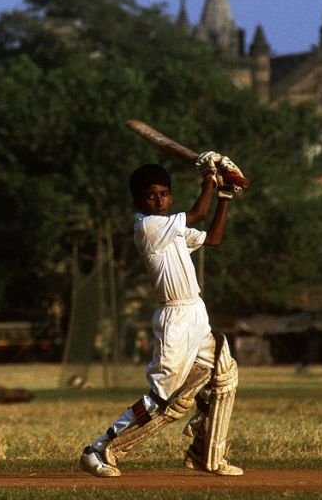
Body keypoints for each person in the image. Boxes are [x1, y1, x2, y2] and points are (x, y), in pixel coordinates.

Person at [80, 154, 247, 479]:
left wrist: (225, 195)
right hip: (174, 320)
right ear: (139, 202)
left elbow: (213, 238)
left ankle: (207, 455)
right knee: (164, 398)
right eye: (151, 195)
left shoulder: (172, 229)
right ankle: (99, 449)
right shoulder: (149, 226)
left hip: (196, 313)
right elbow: (198, 212)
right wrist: (210, 176)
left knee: (225, 376)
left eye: (165, 193)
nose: (160, 200)